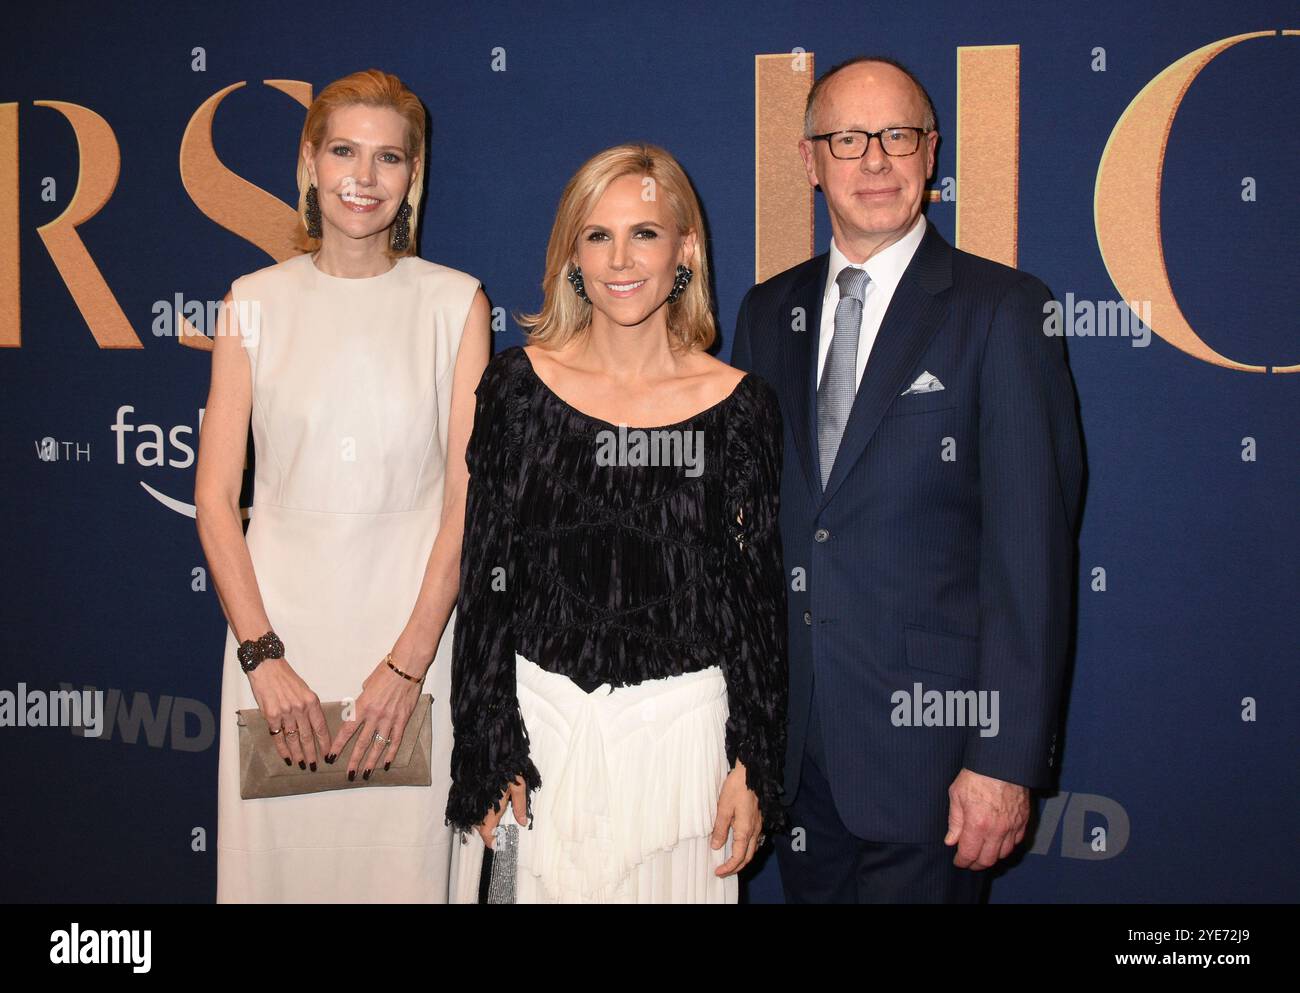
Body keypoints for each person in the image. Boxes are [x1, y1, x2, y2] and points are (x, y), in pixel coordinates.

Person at [732, 56, 1083, 903]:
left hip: (934, 768)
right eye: (848, 140)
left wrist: (1001, 760)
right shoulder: (764, 314)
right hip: (795, 761)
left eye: (897, 137)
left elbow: (1032, 559)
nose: (875, 162)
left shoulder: (1002, 312)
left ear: (932, 153)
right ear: (811, 161)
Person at [444, 143, 789, 904]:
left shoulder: (742, 408)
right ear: (573, 255)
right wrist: (489, 739)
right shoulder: (517, 388)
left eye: (646, 232)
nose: (621, 258)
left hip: (683, 759)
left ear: (685, 250)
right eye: (598, 235)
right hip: (538, 747)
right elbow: (486, 580)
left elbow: (755, 602)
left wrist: (751, 762)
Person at [196, 69, 490, 902]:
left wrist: (407, 664)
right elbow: (216, 499)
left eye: (389, 157)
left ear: (413, 175)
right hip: (275, 644)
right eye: (344, 152)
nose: (364, 178)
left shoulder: (454, 303)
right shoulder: (251, 302)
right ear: (310, 163)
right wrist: (263, 657)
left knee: (403, 872)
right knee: (279, 875)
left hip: (409, 647)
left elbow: (466, 504)